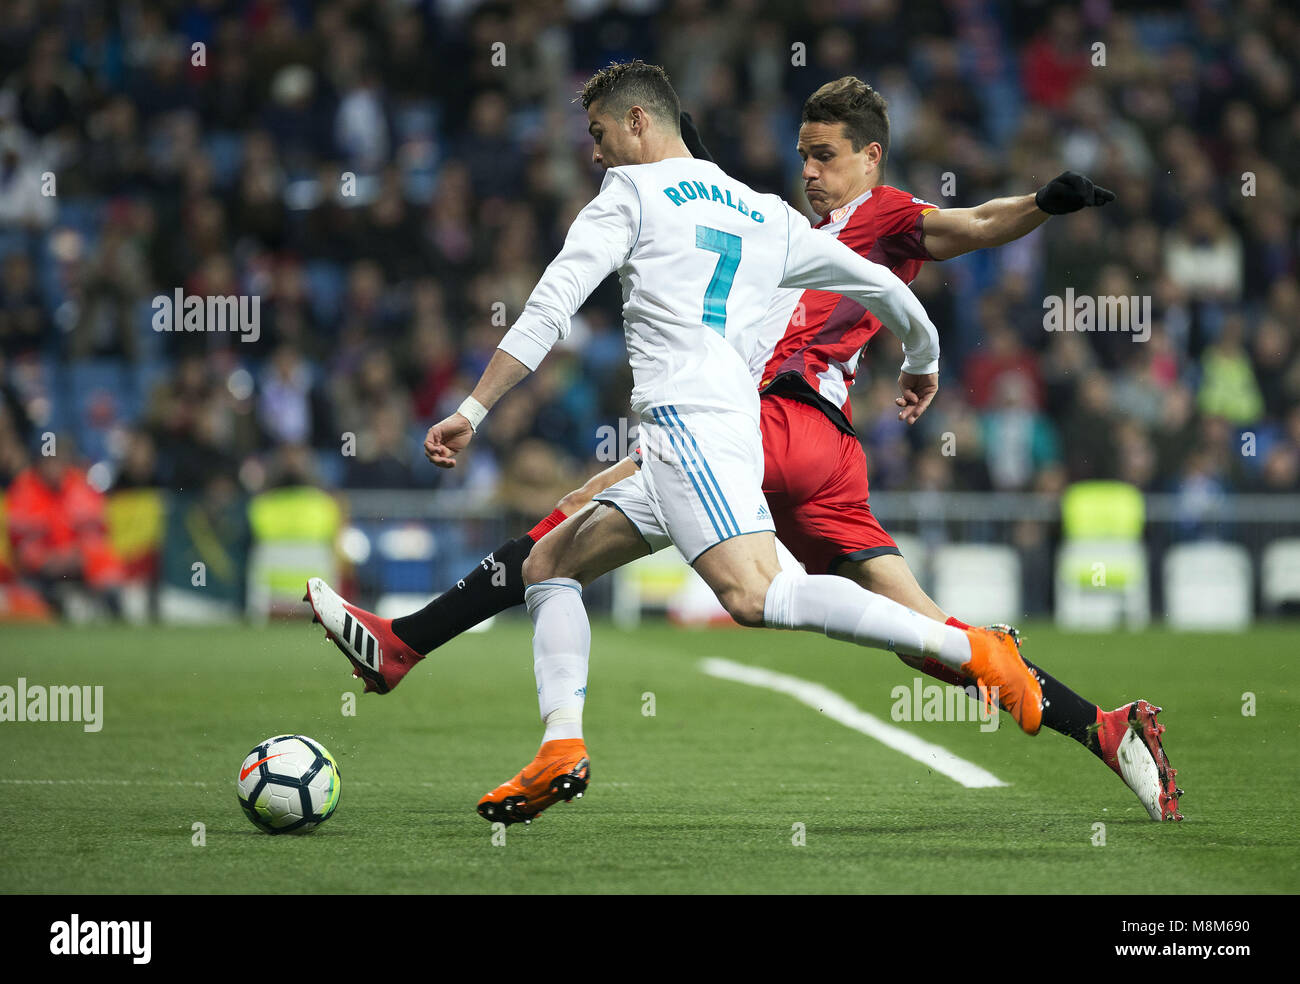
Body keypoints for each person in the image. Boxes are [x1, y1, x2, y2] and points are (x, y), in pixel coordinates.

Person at [307, 59, 1049, 826]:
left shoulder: (628, 193)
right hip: (709, 427)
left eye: (598, 133)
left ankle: (975, 653)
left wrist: (474, 406)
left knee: (754, 596)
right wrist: (923, 360)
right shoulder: (759, 209)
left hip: (691, 423)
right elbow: (885, 287)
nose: (594, 153)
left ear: (637, 122)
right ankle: (559, 743)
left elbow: (551, 306)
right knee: (549, 561)